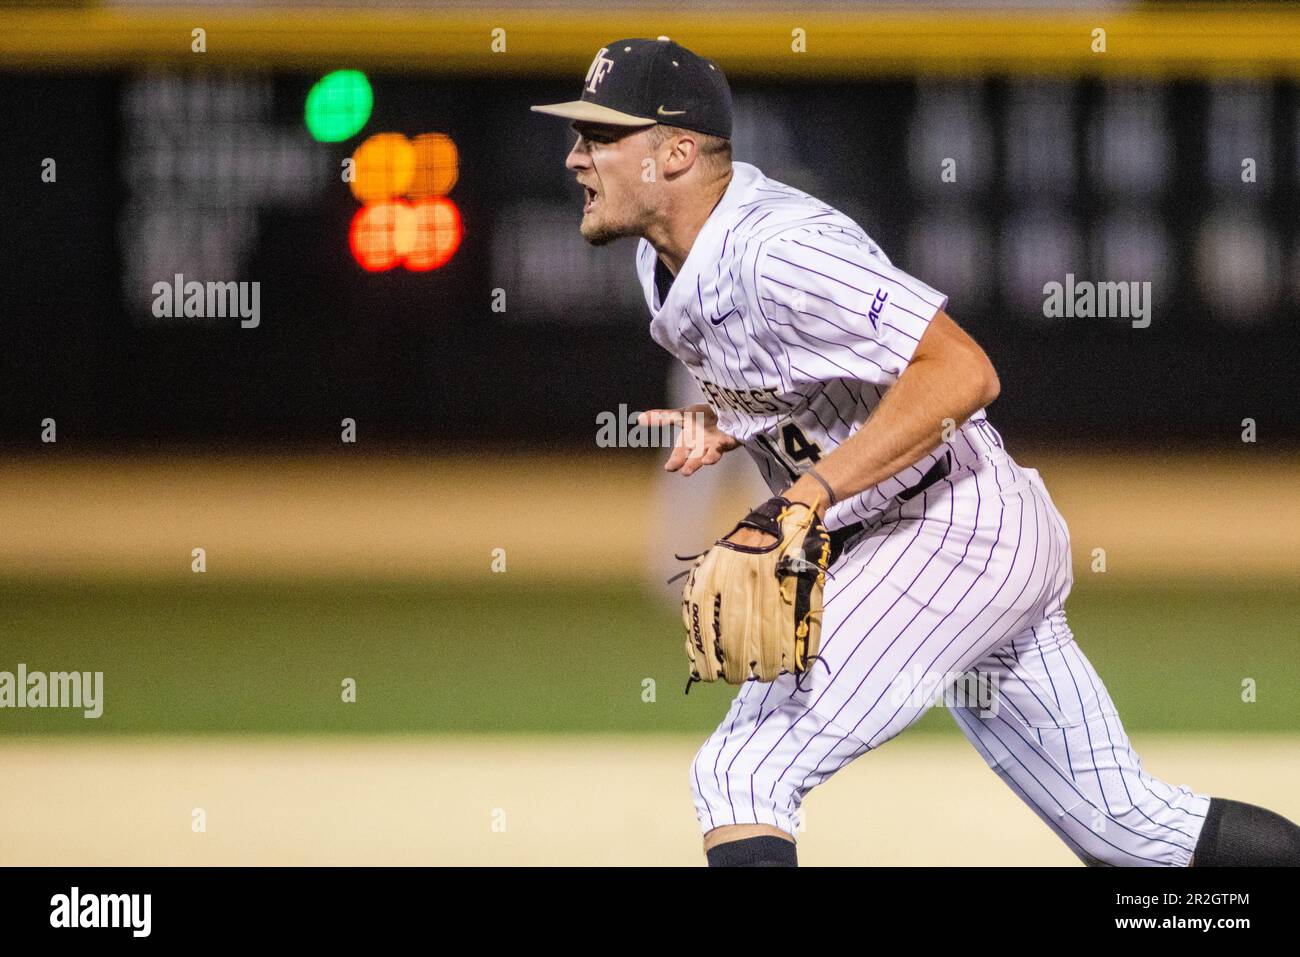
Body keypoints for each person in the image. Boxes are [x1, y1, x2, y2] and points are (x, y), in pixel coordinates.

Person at [532, 36, 1300, 867]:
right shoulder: (663, 258)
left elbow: (962, 371)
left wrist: (805, 495)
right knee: (1132, 831)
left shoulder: (778, 250)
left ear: (677, 152)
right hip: (959, 524)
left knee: (741, 775)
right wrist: (740, 422)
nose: (577, 156)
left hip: (945, 527)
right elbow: (812, 376)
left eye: (602, 137)